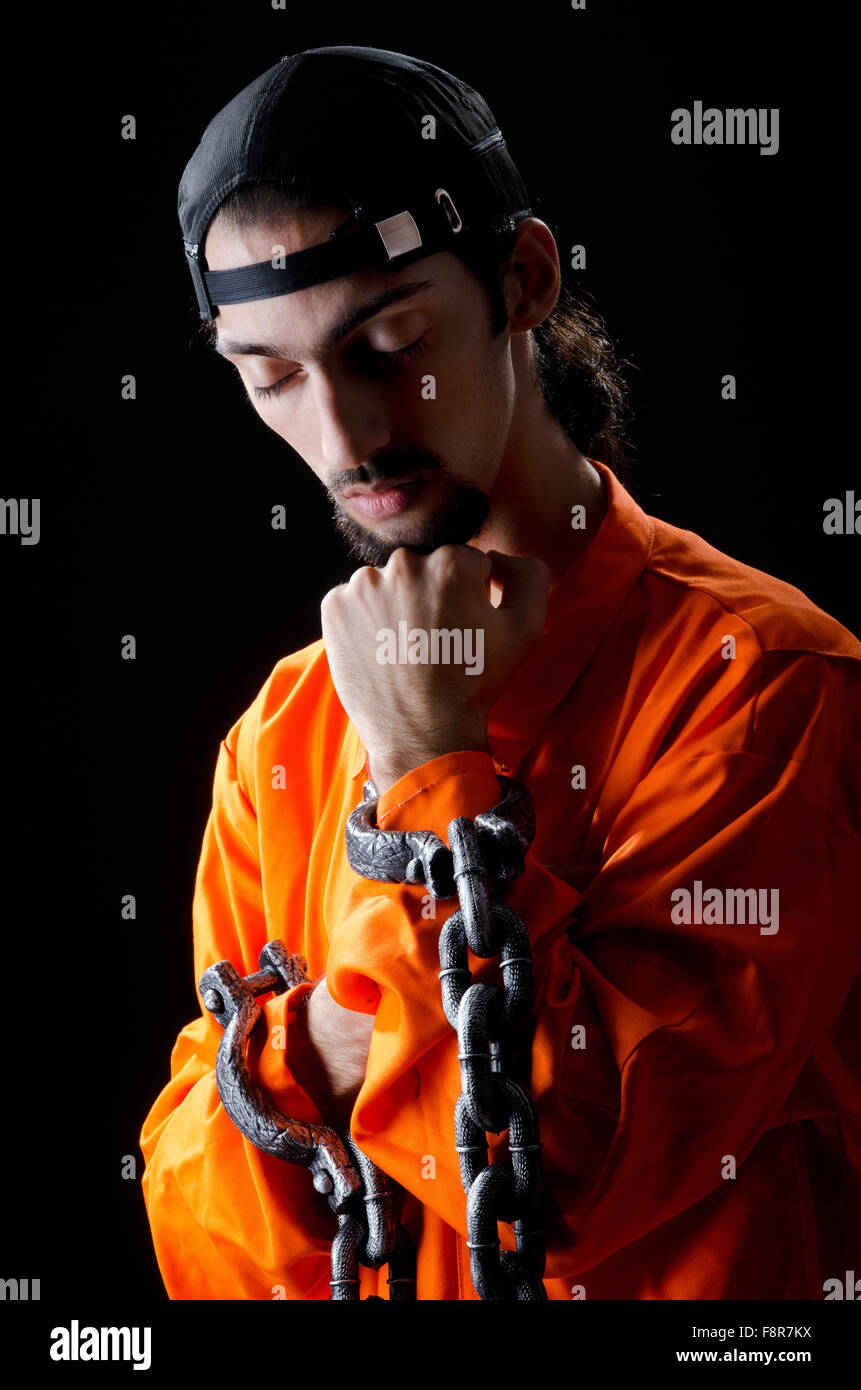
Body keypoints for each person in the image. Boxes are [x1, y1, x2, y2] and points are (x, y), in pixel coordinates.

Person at [139, 45, 861, 1300]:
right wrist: (330, 1043)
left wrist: (425, 765)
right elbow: (211, 1252)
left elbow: (570, 1169)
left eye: (389, 341)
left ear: (523, 280)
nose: (344, 435)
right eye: (273, 378)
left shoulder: (762, 683)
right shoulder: (282, 738)